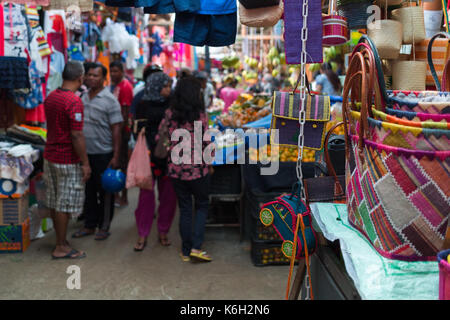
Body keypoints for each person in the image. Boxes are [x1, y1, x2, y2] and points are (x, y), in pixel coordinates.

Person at [157, 76, 213, 263]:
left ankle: (185, 250)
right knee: (202, 206)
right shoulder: (200, 115)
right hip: (198, 170)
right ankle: (197, 247)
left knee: (186, 208)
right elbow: (206, 142)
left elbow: (161, 137)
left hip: (176, 170)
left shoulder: (170, 113)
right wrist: (210, 163)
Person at [43, 60, 91, 259]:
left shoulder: (52, 96)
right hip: (66, 159)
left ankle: (60, 241)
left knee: (55, 201)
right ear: (80, 78)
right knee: (64, 203)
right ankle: (61, 246)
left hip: (50, 156)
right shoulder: (73, 101)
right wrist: (85, 162)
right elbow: (76, 135)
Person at [72, 63, 123, 241]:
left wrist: (116, 156)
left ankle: (104, 226)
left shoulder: (110, 100)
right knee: (89, 190)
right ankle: (89, 225)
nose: (92, 78)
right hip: (86, 154)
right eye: (89, 75)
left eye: (96, 76)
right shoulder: (82, 97)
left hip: (104, 153)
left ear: (103, 78)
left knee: (105, 191)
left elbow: (117, 129)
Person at [133, 72, 177, 251]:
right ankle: (143, 234)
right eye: (165, 86)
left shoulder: (173, 102)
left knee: (168, 196)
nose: (168, 89)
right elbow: (136, 128)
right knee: (145, 196)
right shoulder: (142, 103)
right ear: (156, 86)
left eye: (168, 86)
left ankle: (163, 231)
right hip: (149, 154)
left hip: (169, 155)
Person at [109, 61, 134, 207]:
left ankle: (123, 196)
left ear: (122, 71)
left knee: (122, 163)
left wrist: (122, 133)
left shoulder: (125, 87)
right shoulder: (116, 86)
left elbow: (125, 113)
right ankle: (118, 195)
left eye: (116, 71)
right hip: (117, 131)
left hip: (122, 132)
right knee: (118, 163)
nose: (113, 74)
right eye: (111, 71)